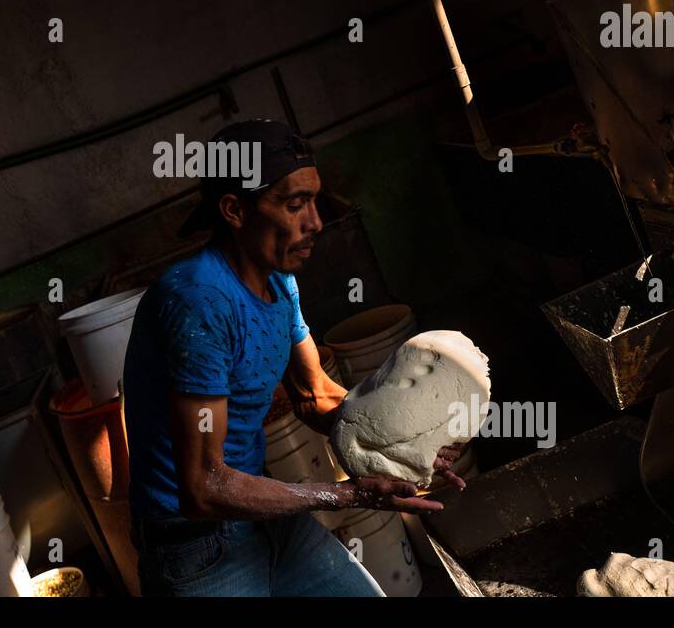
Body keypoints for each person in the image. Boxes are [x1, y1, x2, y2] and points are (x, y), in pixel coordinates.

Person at [121, 118, 464, 596]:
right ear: (234, 210)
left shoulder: (279, 281)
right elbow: (203, 487)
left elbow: (314, 394)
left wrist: (411, 445)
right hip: (197, 547)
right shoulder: (199, 301)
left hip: (263, 519)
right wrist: (346, 493)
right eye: (294, 204)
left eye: (315, 201)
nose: (316, 223)